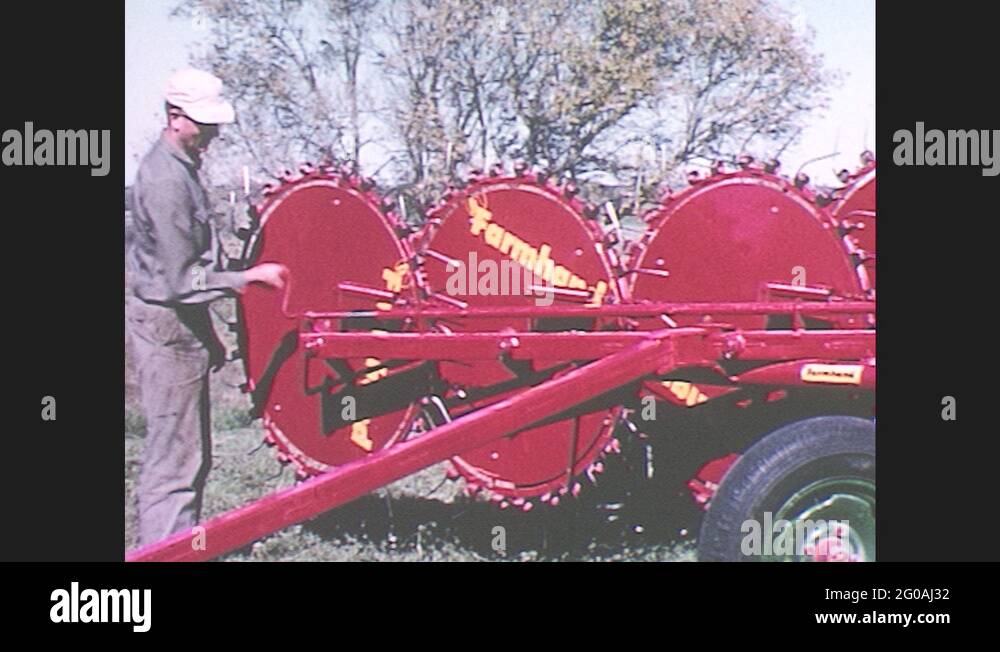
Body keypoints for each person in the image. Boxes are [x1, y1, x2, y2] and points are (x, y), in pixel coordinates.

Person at [126, 68, 287, 546]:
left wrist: (210, 337)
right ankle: (162, 554)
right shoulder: (165, 181)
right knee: (174, 456)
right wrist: (246, 279)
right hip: (166, 326)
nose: (214, 132)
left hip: (181, 325)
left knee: (190, 453)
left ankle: (178, 547)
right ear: (175, 116)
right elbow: (181, 280)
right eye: (205, 122)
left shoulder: (184, 168)